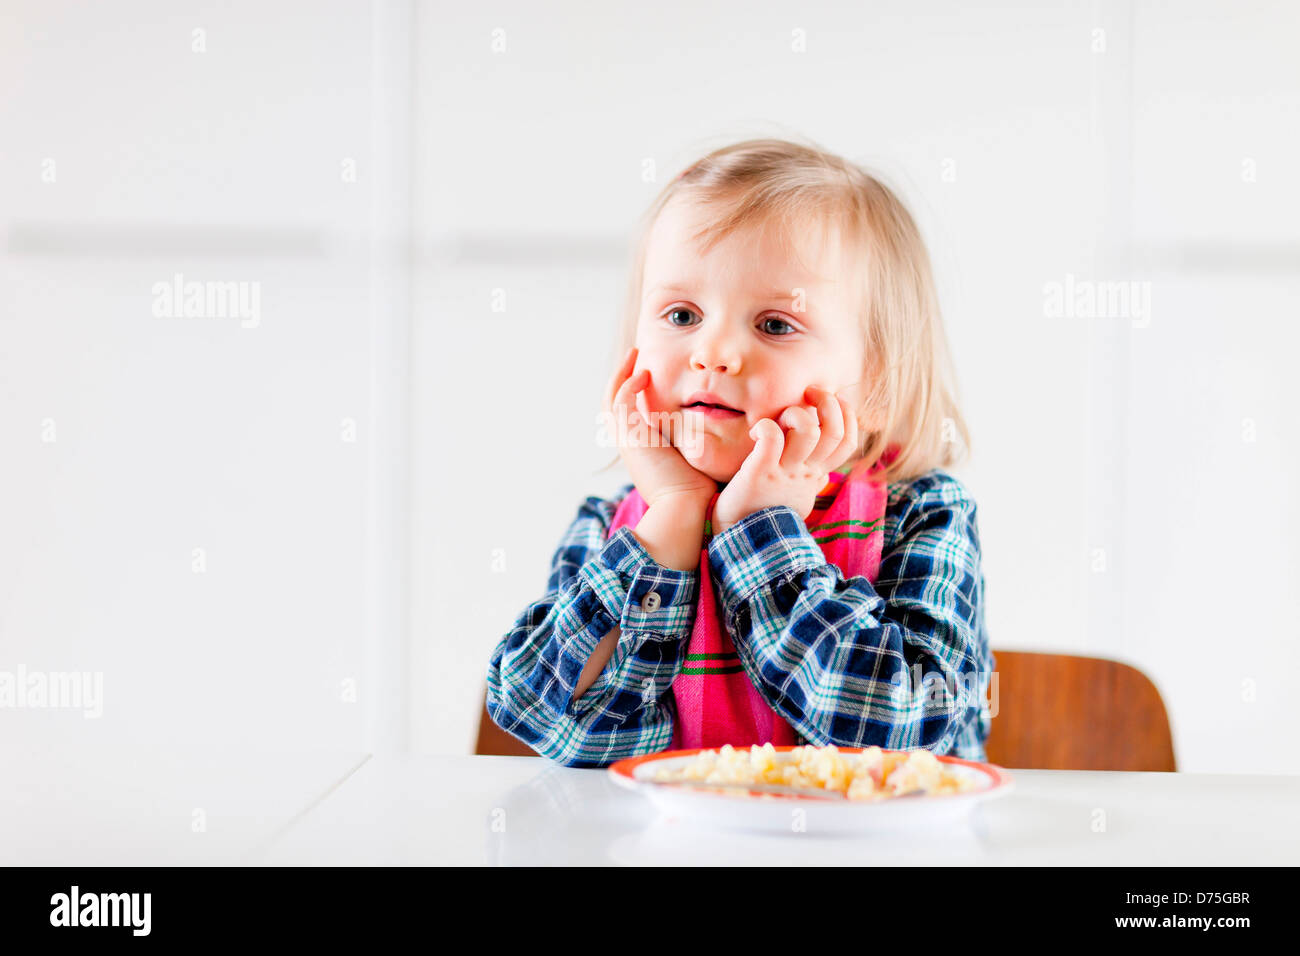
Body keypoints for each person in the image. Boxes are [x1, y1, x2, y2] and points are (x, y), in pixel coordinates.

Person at [486, 137, 994, 768]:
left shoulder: (919, 514)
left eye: (775, 325)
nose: (714, 353)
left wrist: (761, 535)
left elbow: (909, 728)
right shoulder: (615, 526)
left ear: (878, 386)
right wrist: (671, 520)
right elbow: (548, 721)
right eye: (681, 315)